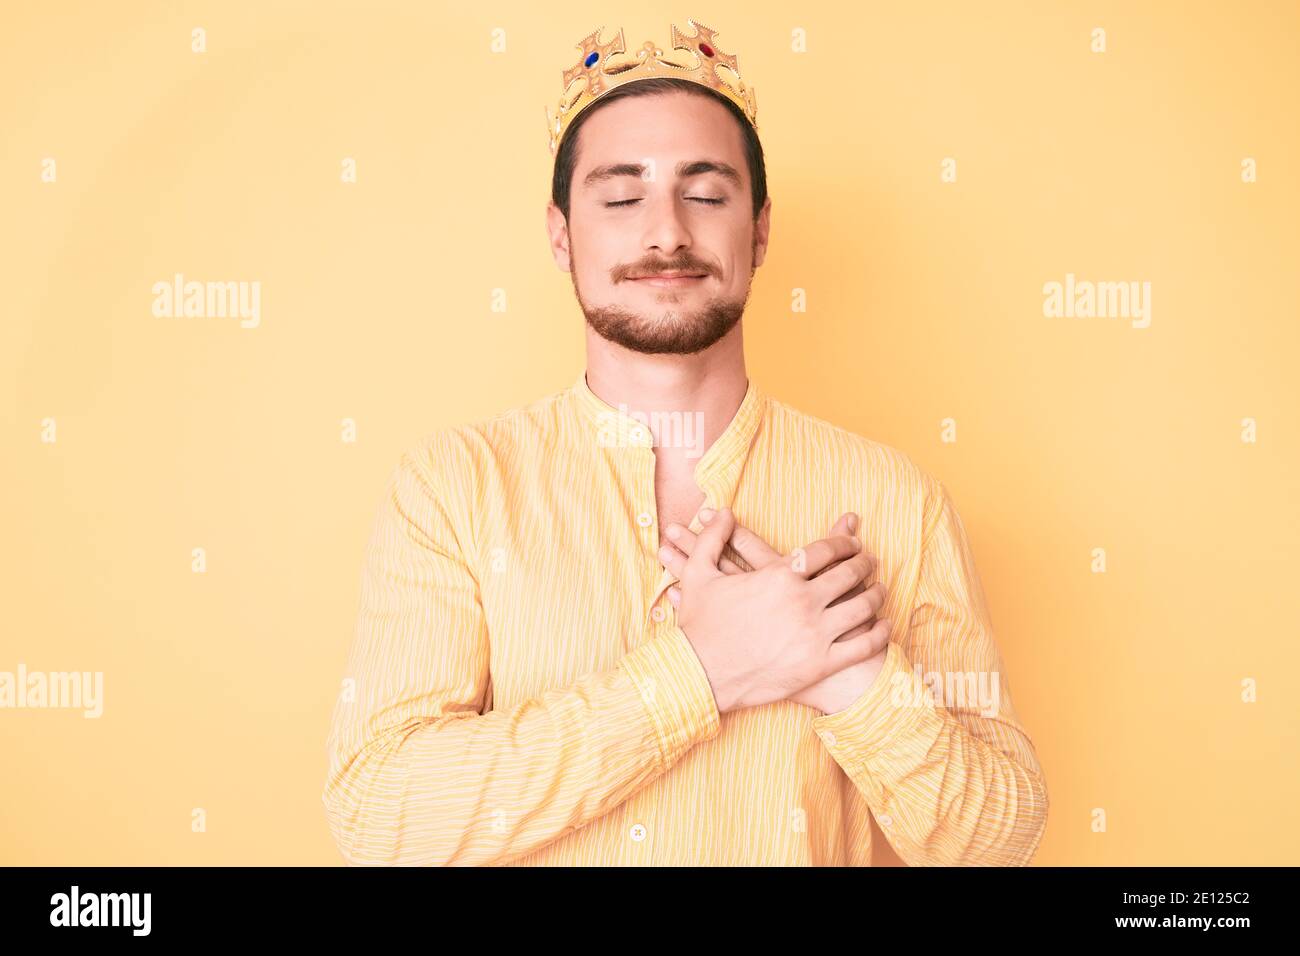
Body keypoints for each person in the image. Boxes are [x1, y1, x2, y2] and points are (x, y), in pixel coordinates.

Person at [322, 19, 1048, 866]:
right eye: (622, 197)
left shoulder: (893, 497)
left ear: (761, 230)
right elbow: (379, 813)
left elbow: (999, 839)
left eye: (705, 194)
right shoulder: (451, 488)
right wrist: (706, 669)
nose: (665, 232)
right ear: (561, 235)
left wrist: (845, 676)